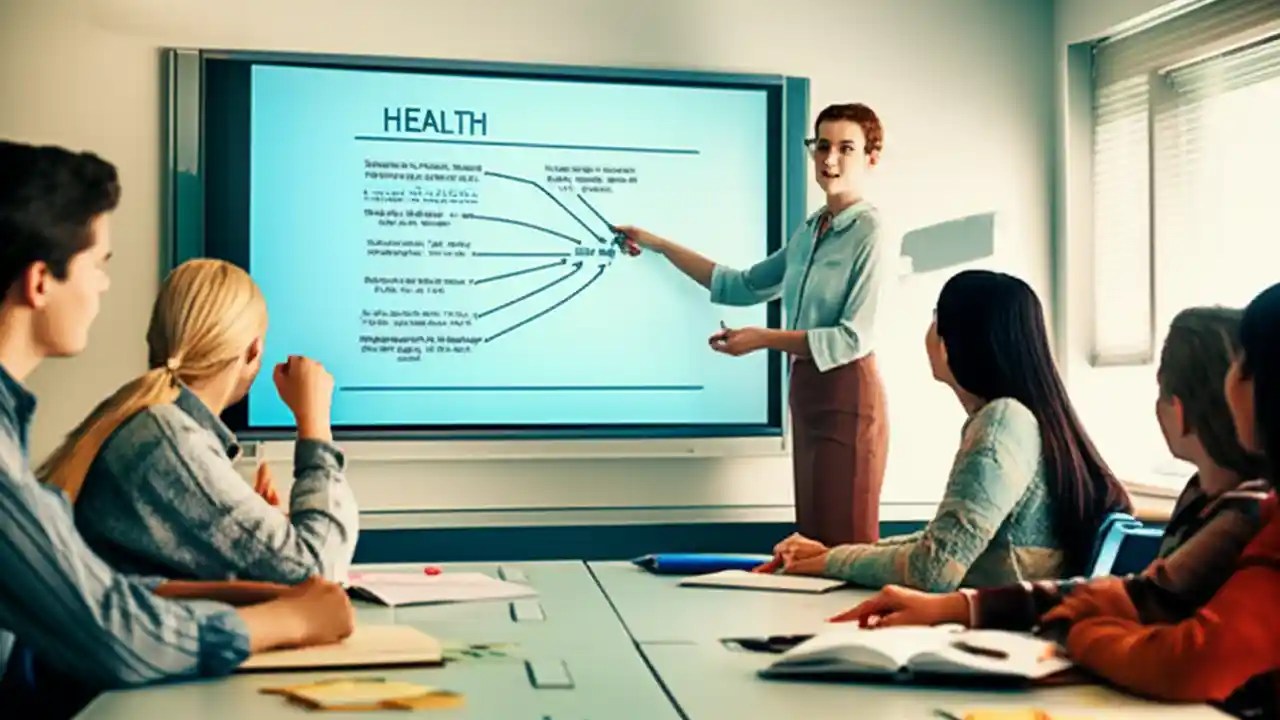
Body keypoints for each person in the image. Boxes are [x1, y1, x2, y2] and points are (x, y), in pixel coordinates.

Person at [0, 140, 352, 713]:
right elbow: (113, 636)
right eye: (98, 265)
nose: (105, 286)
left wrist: (248, 595)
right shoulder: (159, 435)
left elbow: (94, 589)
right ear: (41, 282)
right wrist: (284, 618)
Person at [833, 306, 1268, 638]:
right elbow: (1136, 601)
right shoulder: (1201, 495)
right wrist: (958, 608)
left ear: (1177, 410)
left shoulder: (1248, 512)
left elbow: (1155, 619)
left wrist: (1080, 642)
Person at [618, 103, 891, 545]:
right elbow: (740, 285)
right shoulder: (811, 230)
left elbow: (852, 337)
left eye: (846, 148)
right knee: (810, 544)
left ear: (871, 157)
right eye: (822, 146)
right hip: (805, 390)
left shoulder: (870, 232)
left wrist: (764, 339)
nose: (830, 160)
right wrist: (659, 245)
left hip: (847, 393)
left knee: (846, 546)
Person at [755, 270, 1131, 592]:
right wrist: (828, 556)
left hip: (995, 644)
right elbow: (935, 543)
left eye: (935, 318)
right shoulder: (1016, 419)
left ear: (953, 343)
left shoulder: (1002, 423)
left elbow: (933, 570)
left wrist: (827, 562)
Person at [1032, 282, 1280, 718]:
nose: (1230, 379)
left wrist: (1084, 633)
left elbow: (1195, 659)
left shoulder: (1257, 511)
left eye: (1244, 363)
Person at [38, 258, 359, 584]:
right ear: (253, 352)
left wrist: (248, 530)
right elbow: (318, 570)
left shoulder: (149, 425)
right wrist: (315, 422)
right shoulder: (167, 440)